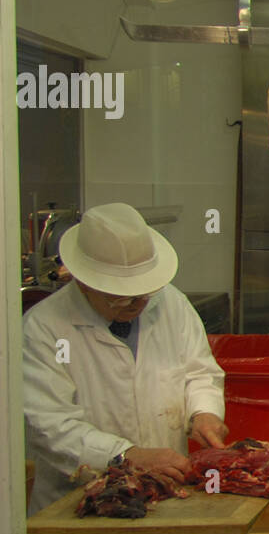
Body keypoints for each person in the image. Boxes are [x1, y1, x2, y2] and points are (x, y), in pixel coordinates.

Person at [23, 202, 228, 514]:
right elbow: (51, 426)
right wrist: (125, 454)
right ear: (82, 281)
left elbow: (199, 372)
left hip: (166, 495)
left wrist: (204, 412)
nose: (138, 304)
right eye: (120, 296)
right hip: (79, 504)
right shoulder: (43, 328)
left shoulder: (170, 302)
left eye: (144, 292)